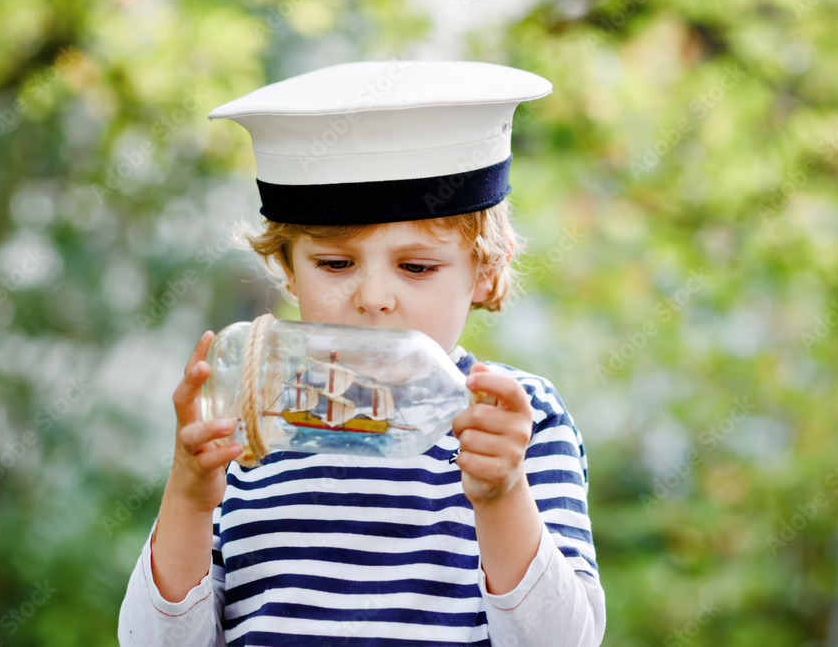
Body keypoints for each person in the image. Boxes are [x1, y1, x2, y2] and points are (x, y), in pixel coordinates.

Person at [119, 60, 605, 646]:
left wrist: (502, 498)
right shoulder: (246, 426)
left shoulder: (517, 424)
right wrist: (190, 501)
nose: (374, 298)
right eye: (334, 264)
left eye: (417, 267)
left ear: (484, 271)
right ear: (288, 272)